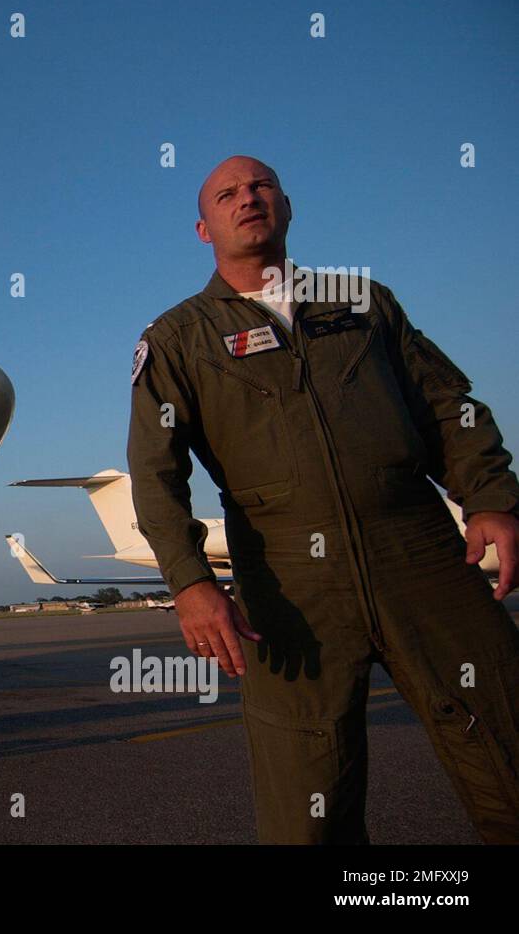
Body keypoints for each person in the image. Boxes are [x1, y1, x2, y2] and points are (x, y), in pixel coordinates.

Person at [127, 155, 519, 843]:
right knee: (307, 801)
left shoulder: (364, 301)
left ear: (286, 205)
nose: (247, 199)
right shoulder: (177, 339)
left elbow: (444, 406)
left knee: (506, 744)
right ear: (202, 227)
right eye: (227, 194)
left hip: (423, 552)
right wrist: (189, 582)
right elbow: (154, 471)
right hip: (287, 583)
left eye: (260, 187)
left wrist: (490, 498)